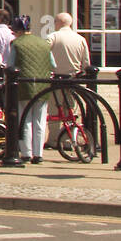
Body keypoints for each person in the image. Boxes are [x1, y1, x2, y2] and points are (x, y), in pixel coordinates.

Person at [7, 15, 52, 164]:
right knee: (39, 121)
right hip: (43, 85)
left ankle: (26, 152)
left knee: (25, 119)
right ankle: (38, 154)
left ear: (17, 30)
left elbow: (10, 66)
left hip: (23, 85)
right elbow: (54, 64)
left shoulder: (16, 44)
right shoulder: (44, 43)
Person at [47, 12, 91, 145]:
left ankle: (54, 140)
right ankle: (68, 139)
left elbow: (44, 55)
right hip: (73, 80)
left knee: (55, 110)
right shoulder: (80, 39)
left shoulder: (53, 37)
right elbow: (86, 63)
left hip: (56, 79)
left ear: (58, 23)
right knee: (71, 110)